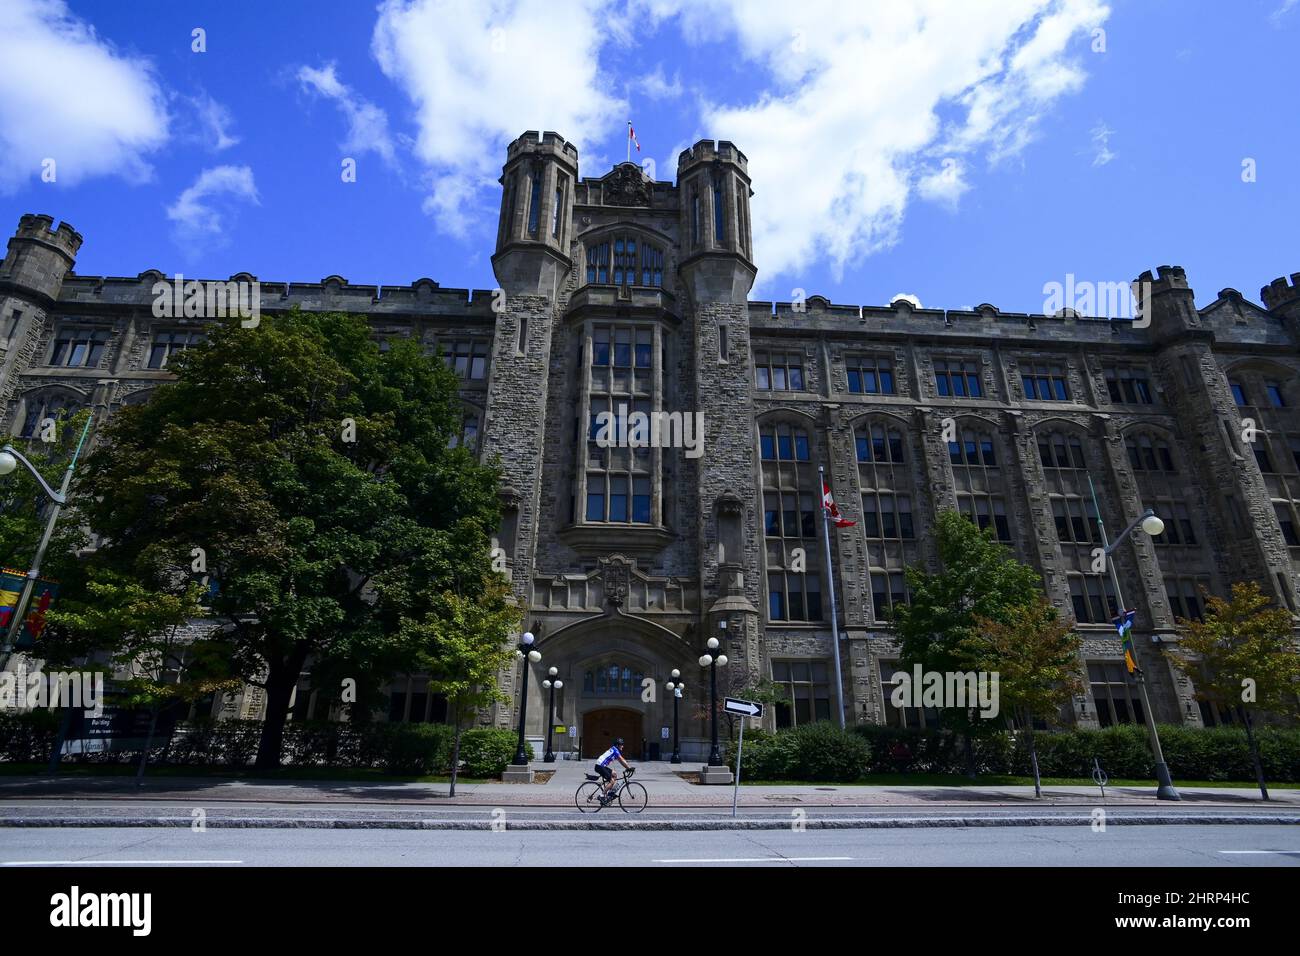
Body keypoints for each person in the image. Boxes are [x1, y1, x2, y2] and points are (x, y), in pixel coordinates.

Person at [594, 737, 631, 802]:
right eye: (621, 744)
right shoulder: (615, 750)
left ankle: (610, 793)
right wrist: (629, 768)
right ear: (617, 745)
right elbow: (621, 760)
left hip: (600, 765)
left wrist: (627, 767)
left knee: (614, 774)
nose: (623, 746)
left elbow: (621, 760)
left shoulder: (614, 749)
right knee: (612, 781)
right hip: (600, 766)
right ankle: (601, 795)